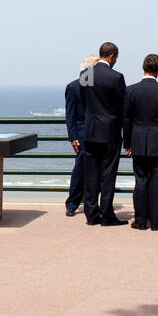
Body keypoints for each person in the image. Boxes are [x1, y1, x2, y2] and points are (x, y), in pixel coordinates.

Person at [123, 53, 158, 230]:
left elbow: (127, 120)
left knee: (140, 181)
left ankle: (139, 220)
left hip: (138, 141)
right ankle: (156, 221)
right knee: (156, 182)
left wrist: (127, 144)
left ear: (142, 67)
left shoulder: (131, 90)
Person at [79, 41, 126, 226]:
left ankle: (91, 214)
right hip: (110, 131)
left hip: (90, 130)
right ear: (112, 56)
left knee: (91, 173)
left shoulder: (86, 74)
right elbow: (123, 105)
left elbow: (83, 101)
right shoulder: (116, 77)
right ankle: (107, 214)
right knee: (108, 174)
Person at [64, 55, 99, 216]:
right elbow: (70, 115)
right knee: (80, 170)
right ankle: (72, 203)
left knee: (92, 169)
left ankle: (86, 203)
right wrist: (73, 137)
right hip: (83, 135)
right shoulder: (73, 87)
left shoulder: (92, 85)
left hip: (94, 133)